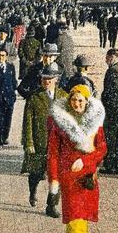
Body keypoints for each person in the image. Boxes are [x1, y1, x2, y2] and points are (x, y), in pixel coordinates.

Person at [46, 85, 106, 233]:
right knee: (75, 222)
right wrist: (53, 180)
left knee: (84, 223)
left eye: (81, 100)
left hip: (88, 179)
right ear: (69, 101)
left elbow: (102, 149)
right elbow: (53, 153)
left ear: (87, 102)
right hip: (69, 178)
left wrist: (86, 161)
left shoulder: (96, 123)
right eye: (74, 100)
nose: (77, 104)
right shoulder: (59, 123)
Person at [22, 62, 67, 217]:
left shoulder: (64, 97)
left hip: (58, 145)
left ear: (56, 79)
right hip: (39, 143)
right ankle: (33, 190)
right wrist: (28, 143)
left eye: (50, 78)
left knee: (57, 176)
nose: (46, 81)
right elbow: (27, 122)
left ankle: (51, 206)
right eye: (44, 78)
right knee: (35, 173)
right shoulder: (34, 97)